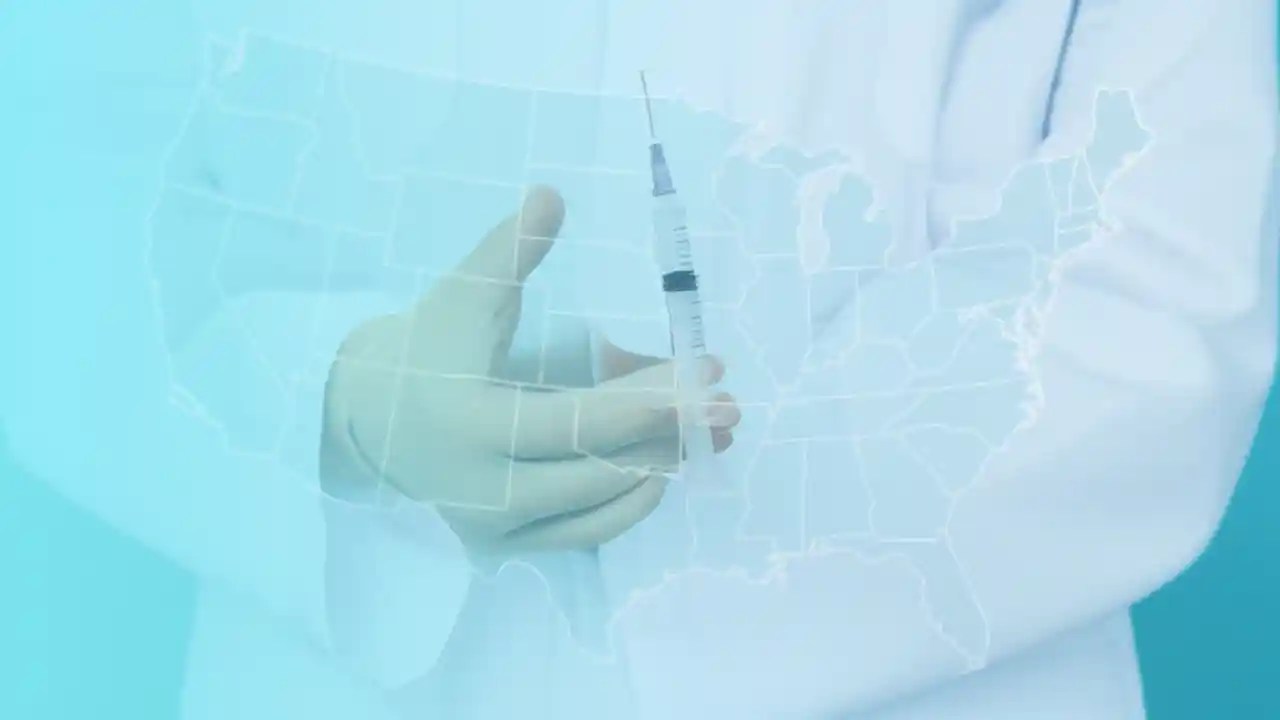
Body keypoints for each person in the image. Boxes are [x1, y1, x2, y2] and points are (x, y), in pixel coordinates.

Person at [12, 1, 1276, 719]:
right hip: (356, 656)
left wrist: (697, 522)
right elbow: (62, 178)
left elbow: (1158, 290)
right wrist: (329, 398)